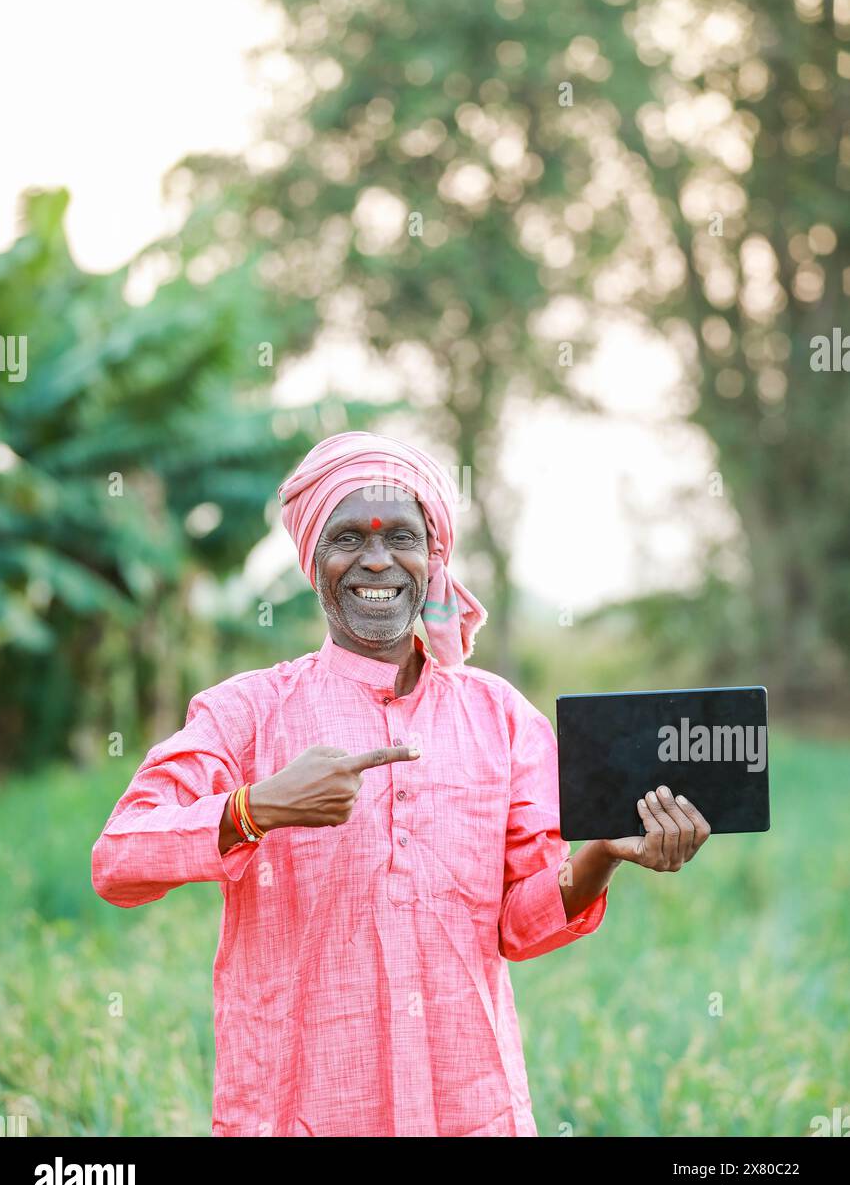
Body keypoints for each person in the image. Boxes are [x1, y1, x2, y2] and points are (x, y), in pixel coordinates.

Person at [91, 430, 710, 1136]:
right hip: (296, 1112)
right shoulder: (247, 713)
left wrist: (602, 855)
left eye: (401, 537)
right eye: (347, 538)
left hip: (468, 1108)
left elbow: (519, 926)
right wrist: (256, 808)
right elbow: (117, 861)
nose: (377, 559)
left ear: (433, 556)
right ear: (312, 559)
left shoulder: (502, 717)